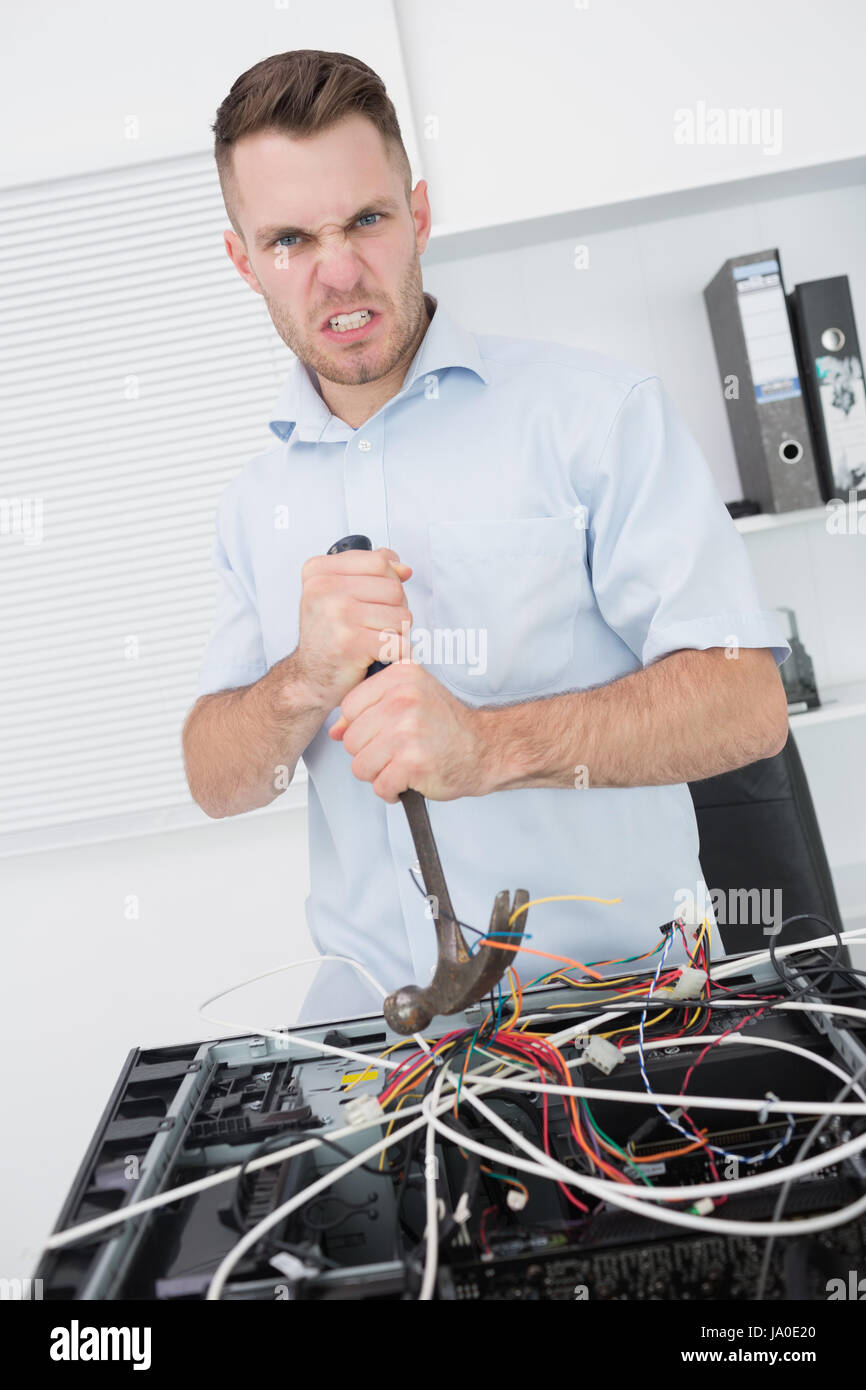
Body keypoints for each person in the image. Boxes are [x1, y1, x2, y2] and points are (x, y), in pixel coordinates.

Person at [182, 49, 791, 1024]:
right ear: (243, 260)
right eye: (290, 238)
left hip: (621, 1012)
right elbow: (217, 779)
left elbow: (746, 701)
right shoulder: (250, 503)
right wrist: (302, 678)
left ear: (417, 214)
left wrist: (486, 746)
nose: (338, 271)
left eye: (366, 220)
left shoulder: (594, 414)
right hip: (379, 1031)